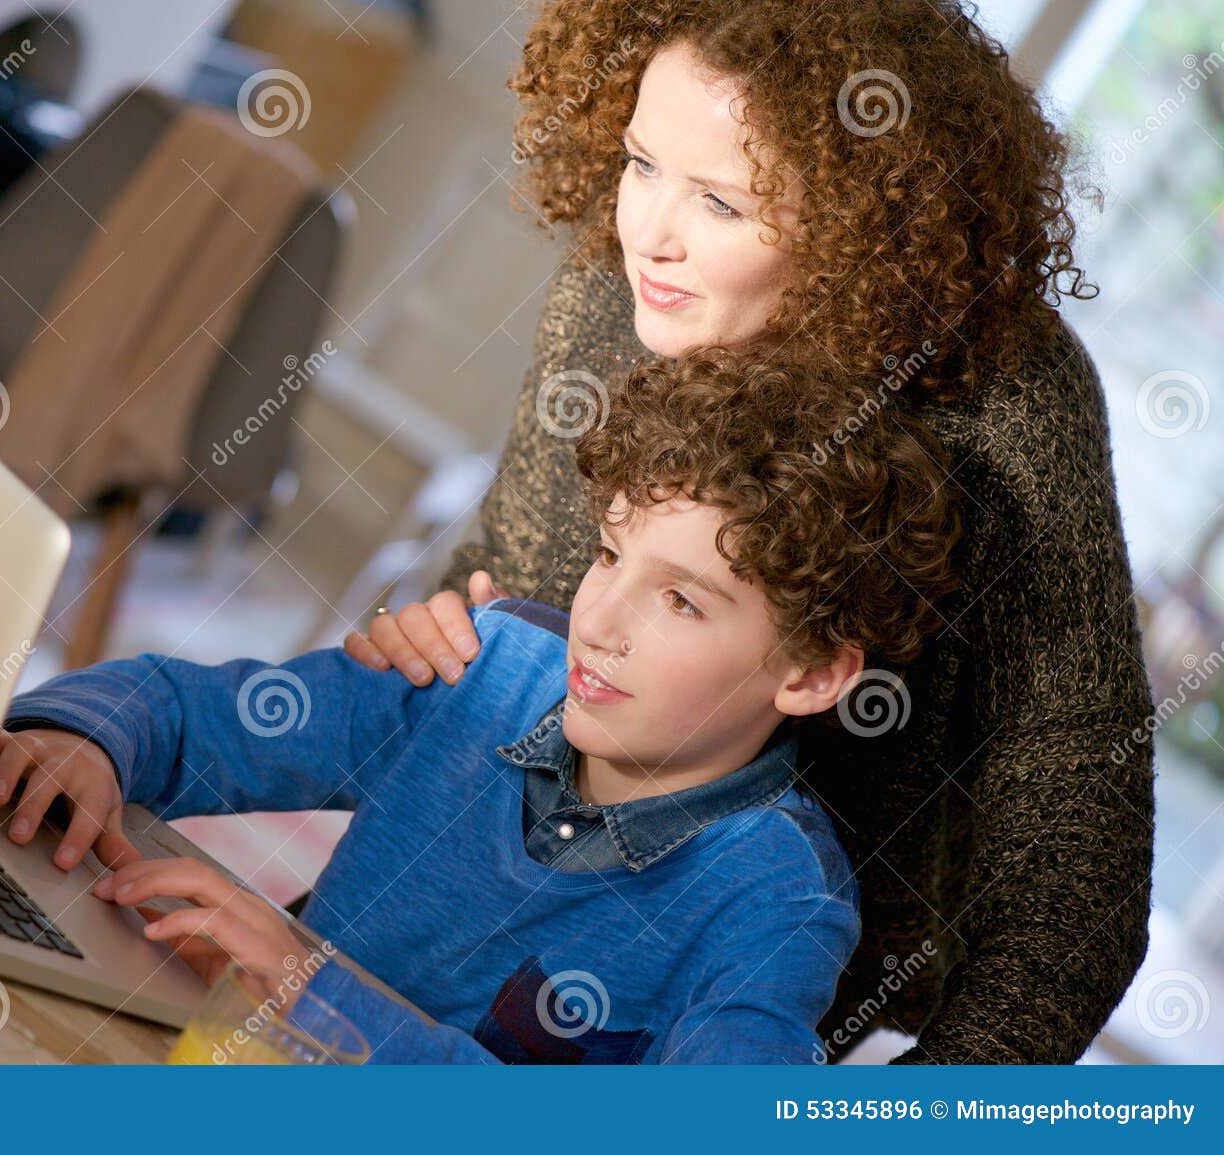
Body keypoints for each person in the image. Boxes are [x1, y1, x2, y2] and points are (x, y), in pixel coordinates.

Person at [342, 0, 1156, 1064]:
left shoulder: (1009, 405)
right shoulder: (616, 293)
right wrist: (436, 646)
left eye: (722, 202)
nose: (650, 234)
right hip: (489, 902)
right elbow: (506, 588)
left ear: (864, 228)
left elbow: (1076, 868)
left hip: (762, 976)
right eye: (640, 163)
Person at [0, 349, 961, 1062]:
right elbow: (187, 711)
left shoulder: (775, 901)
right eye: (609, 557)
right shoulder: (482, 674)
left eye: (680, 600)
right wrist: (81, 740)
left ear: (813, 676)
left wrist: (314, 993)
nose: (600, 622)